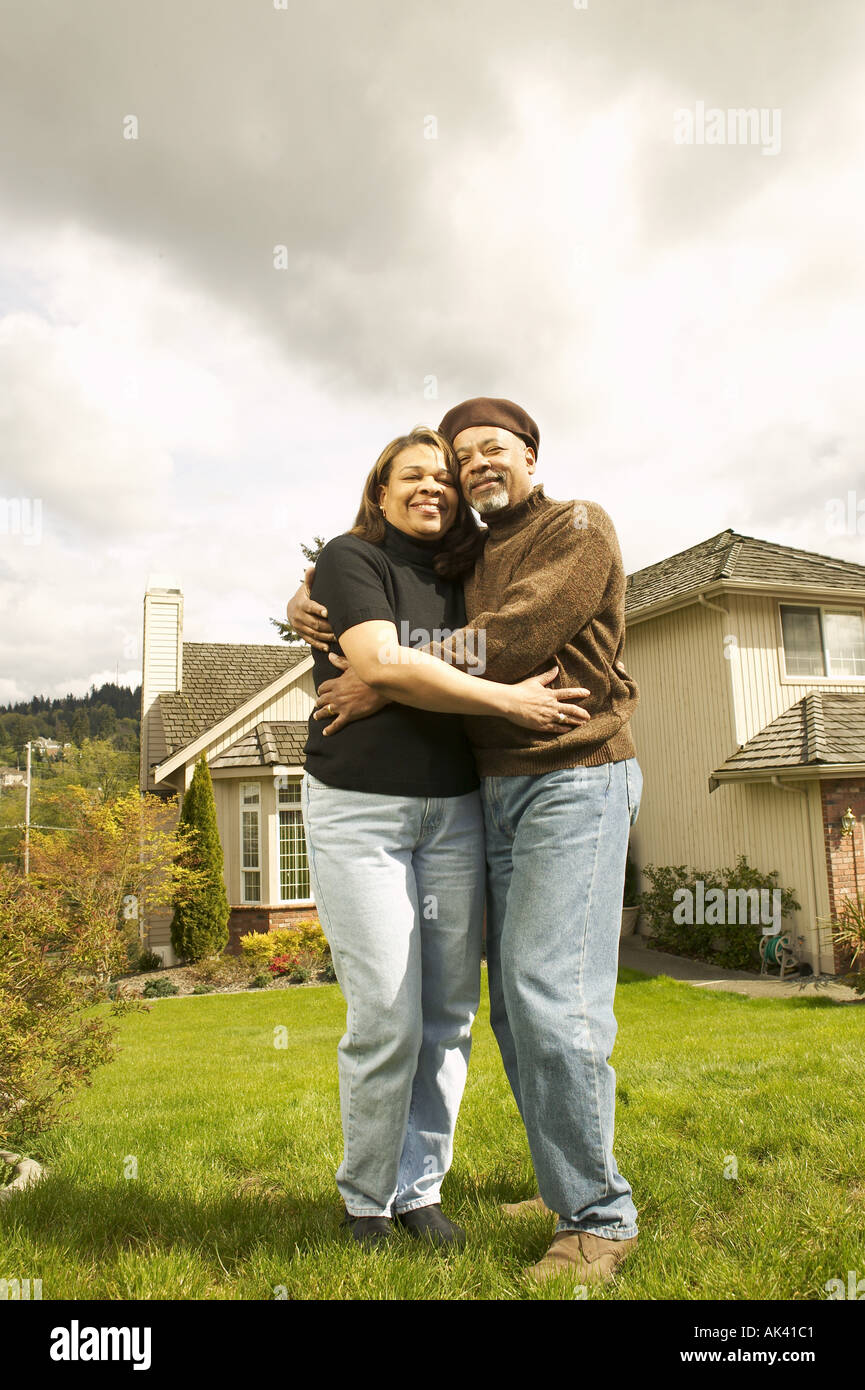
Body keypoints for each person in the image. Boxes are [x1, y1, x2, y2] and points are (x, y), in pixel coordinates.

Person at [288, 398, 643, 1285]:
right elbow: (376, 588)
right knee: (519, 1005)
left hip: (573, 774)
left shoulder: (576, 525)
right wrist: (307, 600)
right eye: (454, 459)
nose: (469, 469)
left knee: (549, 995)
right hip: (495, 789)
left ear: (530, 454)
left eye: (491, 452)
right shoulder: (470, 552)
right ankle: (563, 1181)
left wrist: (383, 681)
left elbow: (513, 635)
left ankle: (599, 1217)